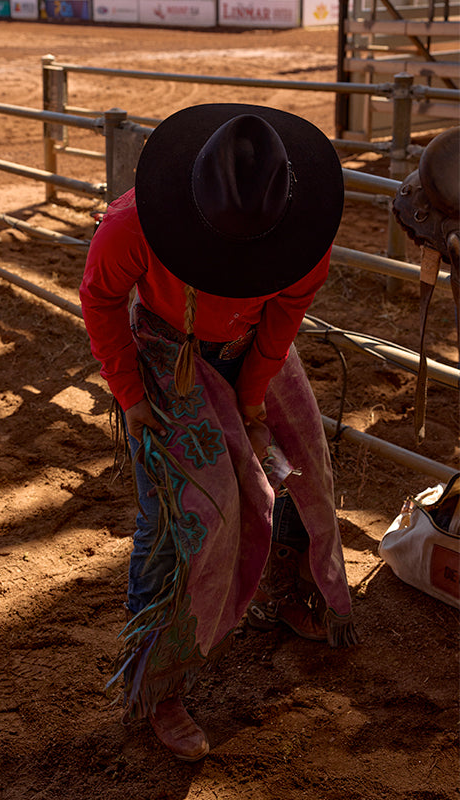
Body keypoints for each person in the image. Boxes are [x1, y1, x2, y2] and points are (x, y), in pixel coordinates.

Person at [79, 103, 358, 762]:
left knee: (306, 468)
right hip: (166, 353)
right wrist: (131, 395)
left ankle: (291, 589)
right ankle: (156, 686)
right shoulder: (130, 226)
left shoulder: (303, 238)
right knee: (181, 518)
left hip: (252, 346)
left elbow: (284, 317)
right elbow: (100, 299)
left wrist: (254, 400)